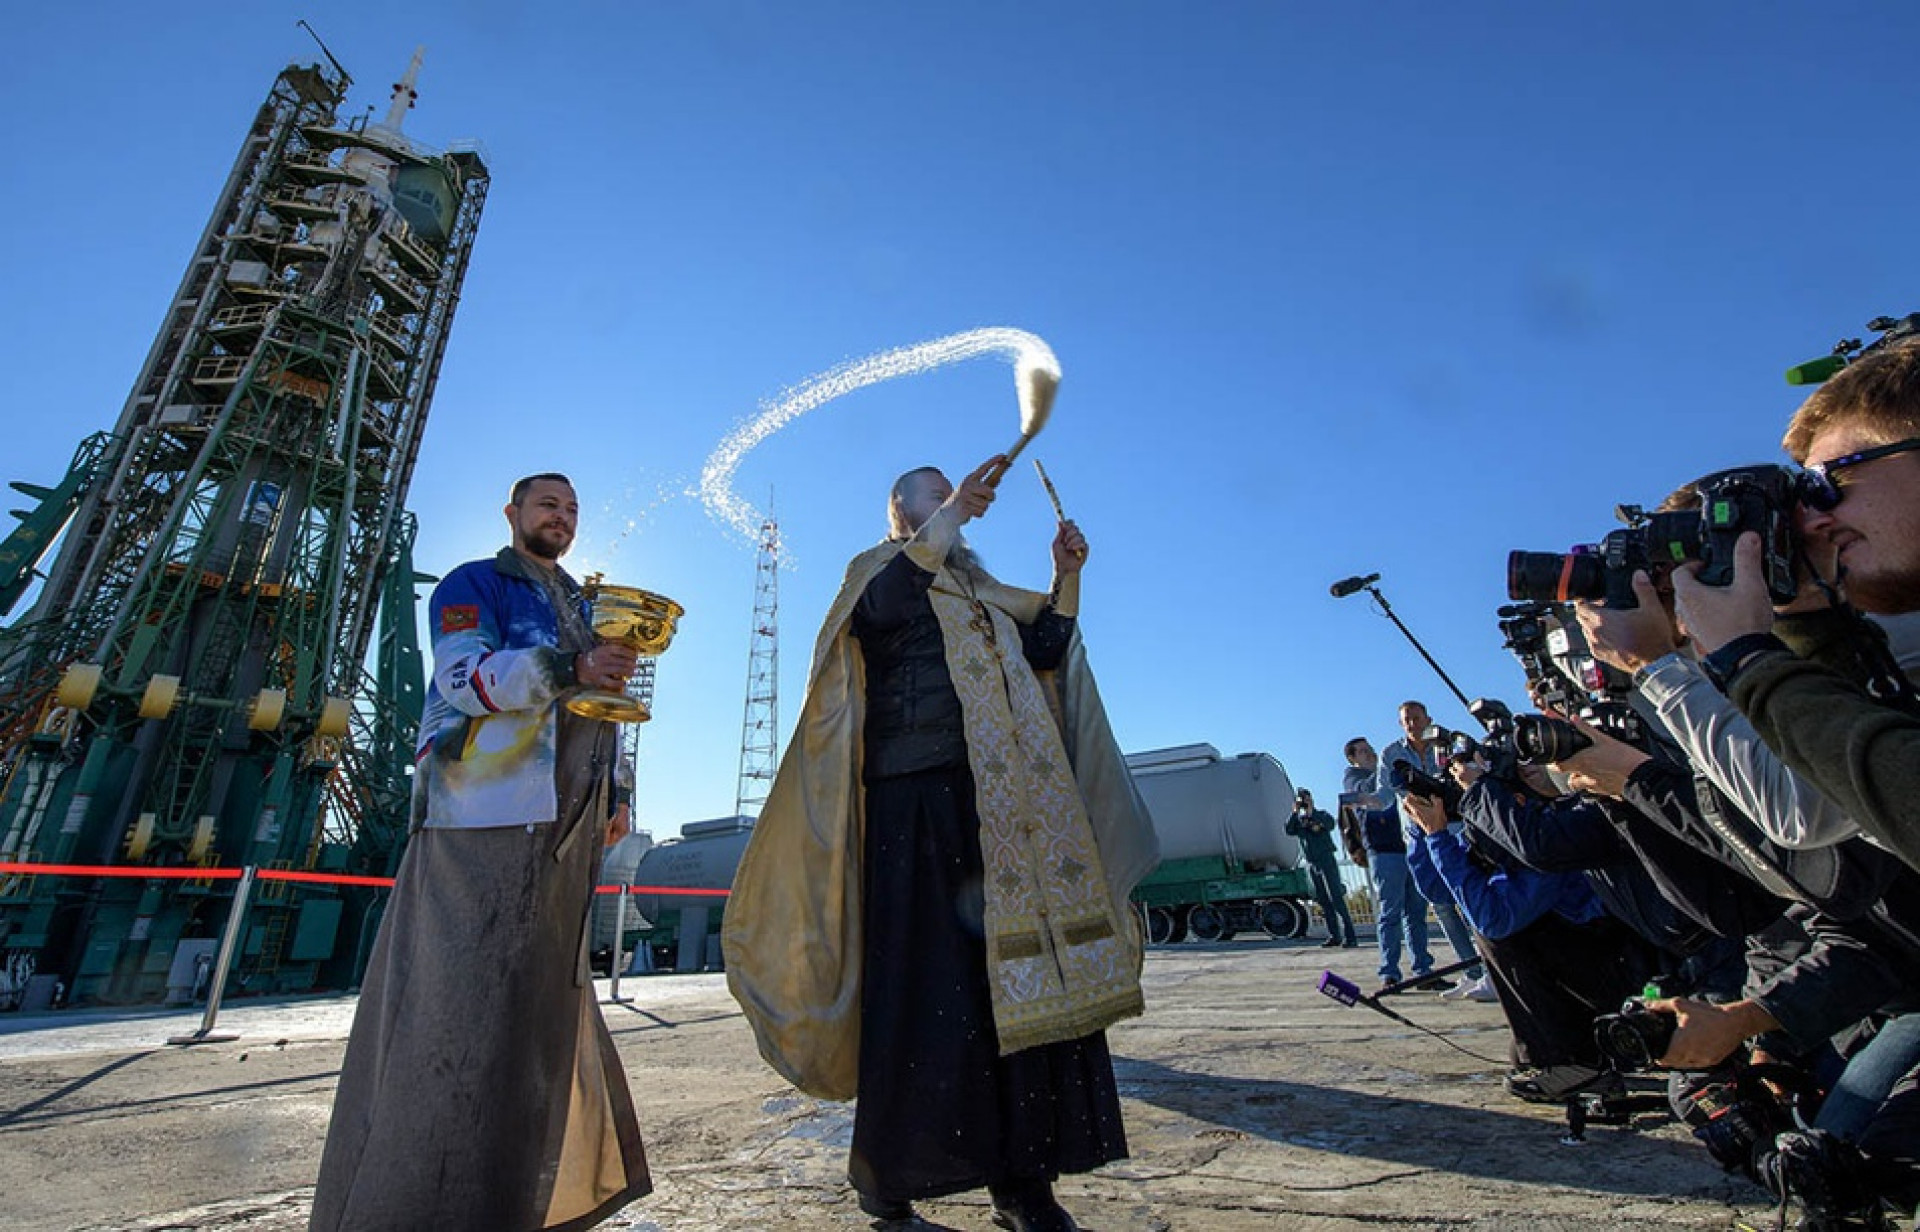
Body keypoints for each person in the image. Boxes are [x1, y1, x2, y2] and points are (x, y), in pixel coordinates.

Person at [724, 455, 1158, 1232]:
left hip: (1006, 810)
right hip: (914, 806)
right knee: (923, 995)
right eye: (935, 494)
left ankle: (1023, 1186)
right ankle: (888, 1186)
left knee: (1019, 996)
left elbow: (1046, 648)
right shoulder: (879, 570)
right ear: (901, 513)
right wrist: (953, 513)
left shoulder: (983, 590)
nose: (951, 500)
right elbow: (883, 613)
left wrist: (1065, 576)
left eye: (950, 493)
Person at [311, 474, 651, 1232]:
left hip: (563, 827)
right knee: (457, 1008)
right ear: (513, 513)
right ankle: (412, 1201)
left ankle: (515, 1198)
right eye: (547, 504)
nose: (561, 517)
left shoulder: (586, 606)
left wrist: (617, 791)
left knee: (534, 1015)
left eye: (571, 508)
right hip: (479, 820)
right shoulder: (473, 585)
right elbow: (463, 680)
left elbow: (603, 705)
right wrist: (570, 668)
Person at [1377, 701, 1488, 998]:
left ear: (1428, 718)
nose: (1412, 724)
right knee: (1441, 906)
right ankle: (1472, 971)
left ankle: (1491, 968)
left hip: (1456, 827)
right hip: (1419, 834)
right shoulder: (1391, 753)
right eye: (1406, 720)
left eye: (1416, 718)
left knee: (1470, 897)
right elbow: (1385, 795)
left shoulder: (1447, 742)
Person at [1341, 736, 1440, 991]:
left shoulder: (1387, 774)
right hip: (1384, 851)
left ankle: (1423, 969)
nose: (1370, 754)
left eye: (1370, 749)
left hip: (1408, 846)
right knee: (1390, 912)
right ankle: (1389, 972)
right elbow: (1363, 793)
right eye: (1363, 752)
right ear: (1352, 759)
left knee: (1416, 913)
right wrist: (1386, 771)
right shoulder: (1354, 777)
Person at [1286, 789, 1357, 947]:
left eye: (1306, 799)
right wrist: (1294, 812)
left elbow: (1331, 824)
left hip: (1326, 860)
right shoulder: (1299, 821)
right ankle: (1334, 936)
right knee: (1323, 900)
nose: (1304, 803)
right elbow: (1289, 830)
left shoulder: (1321, 815)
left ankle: (1350, 937)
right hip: (1312, 863)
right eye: (1302, 800)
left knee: (1336, 898)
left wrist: (1312, 812)